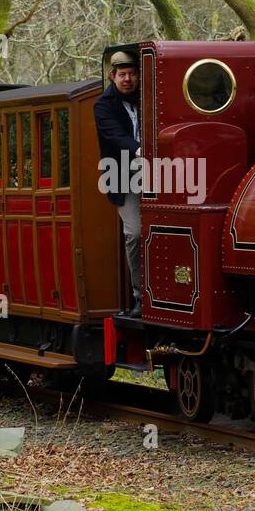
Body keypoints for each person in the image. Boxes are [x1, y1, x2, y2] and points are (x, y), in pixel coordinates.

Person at [94, 50, 143, 316]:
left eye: (132, 74)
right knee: (135, 232)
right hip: (123, 176)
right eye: (122, 74)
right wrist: (140, 150)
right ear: (112, 77)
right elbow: (114, 135)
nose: (128, 79)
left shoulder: (149, 98)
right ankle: (139, 296)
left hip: (162, 172)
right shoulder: (103, 105)